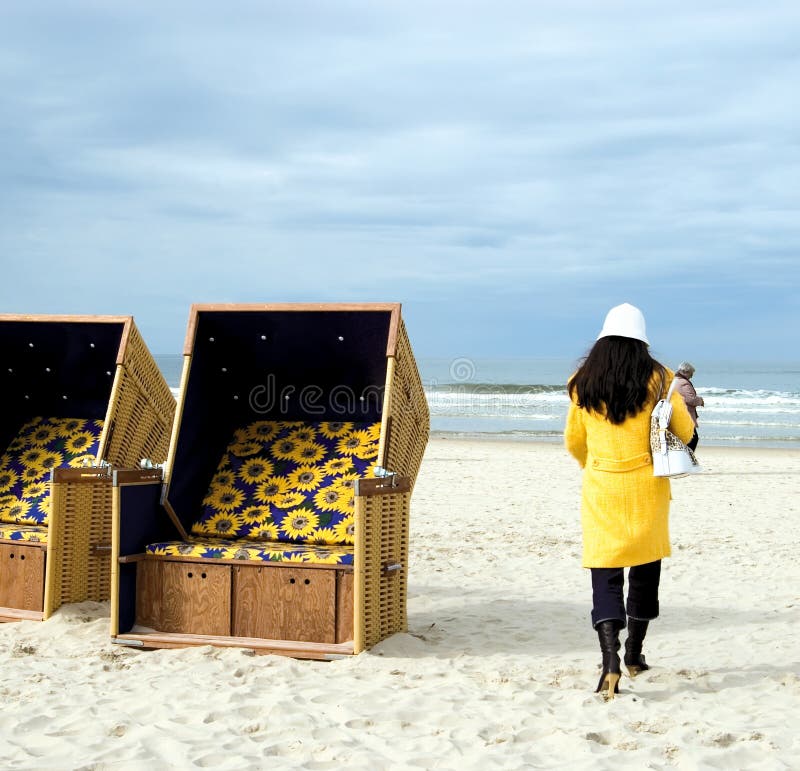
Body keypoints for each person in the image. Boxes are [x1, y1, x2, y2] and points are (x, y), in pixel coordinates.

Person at [564, 303, 694, 700]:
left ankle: (610, 663)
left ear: (602, 337)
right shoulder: (661, 378)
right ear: (643, 340)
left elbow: (574, 441)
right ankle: (635, 654)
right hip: (646, 488)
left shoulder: (580, 381)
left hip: (602, 485)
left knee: (604, 572)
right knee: (644, 569)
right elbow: (684, 433)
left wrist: (596, 465)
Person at [674, 362, 704, 451]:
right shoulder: (684, 383)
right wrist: (700, 400)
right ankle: (689, 458)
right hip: (686, 415)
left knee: (686, 439)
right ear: (685, 372)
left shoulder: (675, 380)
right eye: (691, 373)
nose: (691, 376)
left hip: (678, 413)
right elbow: (690, 399)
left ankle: (686, 457)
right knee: (693, 438)